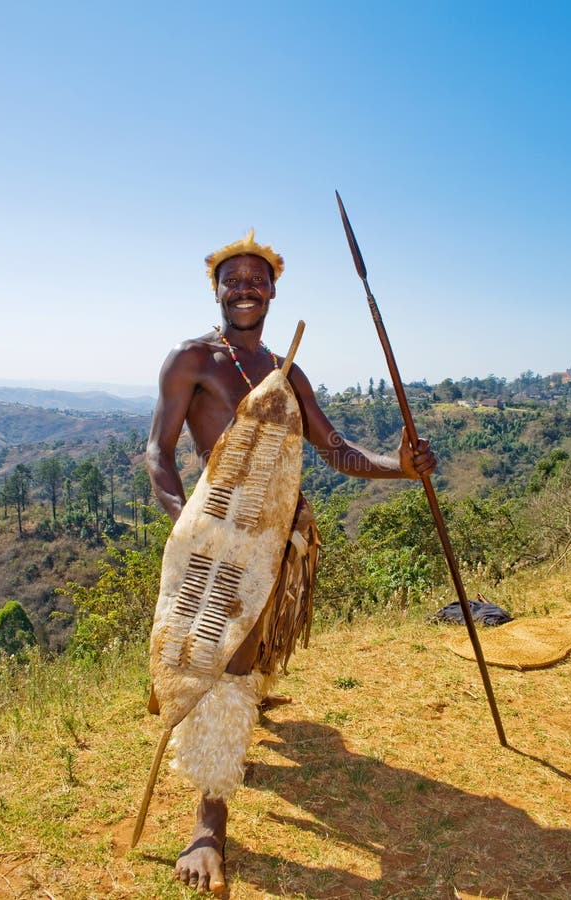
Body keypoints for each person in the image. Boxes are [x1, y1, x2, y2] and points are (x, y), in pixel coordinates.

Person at [146, 230, 437, 893]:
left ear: (273, 291)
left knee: (249, 651)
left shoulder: (288, 371)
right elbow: (158, 452)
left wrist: (403, 468)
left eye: (257, 279)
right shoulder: (191, 360)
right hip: (213, 537)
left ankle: (243, 714)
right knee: (219, 655)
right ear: (216, 289)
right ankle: (207, 825)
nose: (245, 288)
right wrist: (185, 523)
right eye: (232, 279)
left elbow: (336, 451)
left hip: (277, 537)